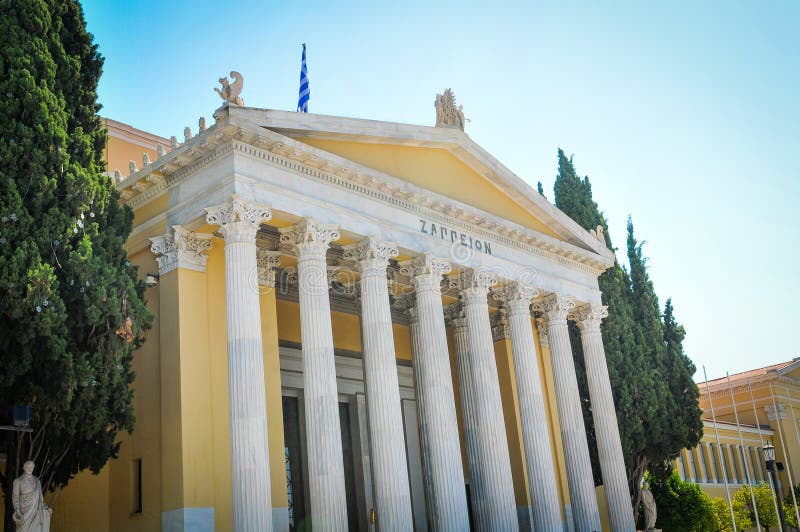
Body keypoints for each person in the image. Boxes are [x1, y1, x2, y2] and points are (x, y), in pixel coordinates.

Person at [12, 461, 51, 532]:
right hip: (24, 513)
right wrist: (17, 510)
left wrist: (44, 506)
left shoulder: (37, 481)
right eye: (28, 467)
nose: (30, 469)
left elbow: (40, 497)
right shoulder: (18, 481)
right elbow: (15, 497)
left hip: (36, 511)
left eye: (31, 467)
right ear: (24, 467)